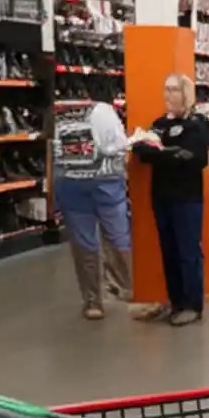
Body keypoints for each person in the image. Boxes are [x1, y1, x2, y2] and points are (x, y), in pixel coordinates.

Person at [131, 74, 209, 326]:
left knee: (188, 252)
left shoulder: (197, 124)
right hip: (162, 197)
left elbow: (195, 158)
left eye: (174, 90)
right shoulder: (159, 124)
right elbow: (142, 151)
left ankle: (192, 304)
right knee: (169, 252)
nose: (168, 95)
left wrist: (162, 152)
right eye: (165, 90)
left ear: (185, 93)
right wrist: (168, 153)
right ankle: (176, 301)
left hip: (187, 199)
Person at [52, 82, 133, 319]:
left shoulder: (59, 113)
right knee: (117, 235)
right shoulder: (106, 112)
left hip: (70, 184)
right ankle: (125, 289)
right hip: (106, 182)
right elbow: (116, 145)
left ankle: (92, 302)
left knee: (84, 241)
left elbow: (52, 150)